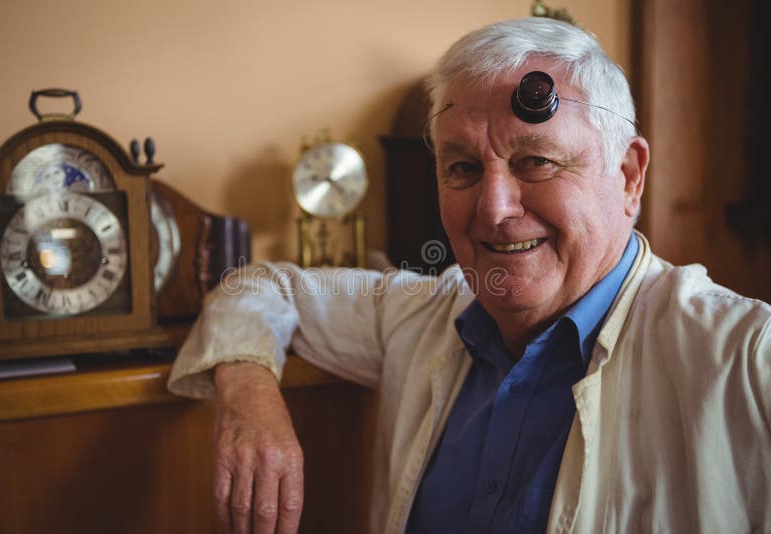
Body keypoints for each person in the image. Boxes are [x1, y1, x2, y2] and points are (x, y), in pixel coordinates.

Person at [168, 17, 771, 534]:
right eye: (461, 167)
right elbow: (254, 285)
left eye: (535, 161)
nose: (493, 210)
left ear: (629, 176)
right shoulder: (422, 313)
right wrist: (249, 395)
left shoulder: (743, 357)